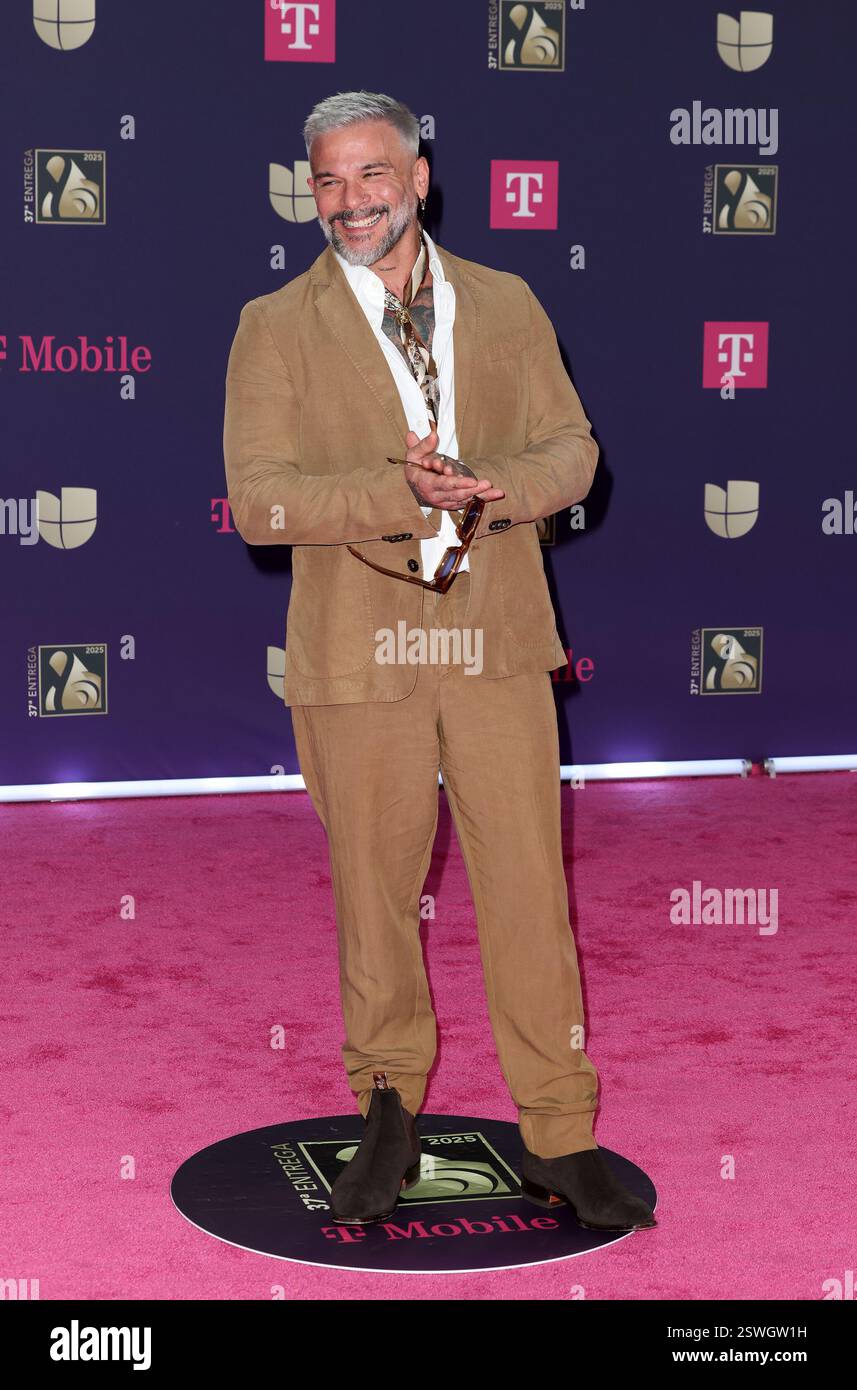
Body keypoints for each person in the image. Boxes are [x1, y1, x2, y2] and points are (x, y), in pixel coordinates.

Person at [223, 90, 655, 1233]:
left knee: (527, 888)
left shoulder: (506, 301)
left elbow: (575, 449)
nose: (349, 201)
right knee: (374, 893)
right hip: (356, 649)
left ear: (418, 177)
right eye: (326, 181)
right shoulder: (273, 324)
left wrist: (493, 489)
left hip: (496, 636)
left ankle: (559, 1128)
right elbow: (261, 499)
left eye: (370, 175)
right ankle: (386, 1111)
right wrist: (395, 489)